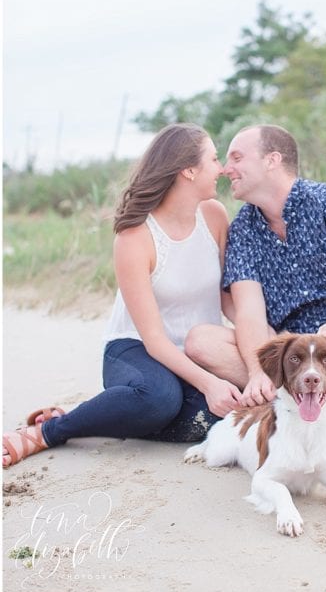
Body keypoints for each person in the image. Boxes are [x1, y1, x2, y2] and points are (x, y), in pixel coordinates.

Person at [3, 124, 242, 468]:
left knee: (225, 411)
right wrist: (210, 383)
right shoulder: (135, 237)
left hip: (197, 349)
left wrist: (263, 338)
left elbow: (227, 299)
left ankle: (105, 414)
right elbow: (155, 340)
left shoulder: (215, 216)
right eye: (215, 159)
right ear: (188, 170)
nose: (221, 169)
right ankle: (50, 431)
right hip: (136, 350)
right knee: (160, 400)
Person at [185, 124, 326, 461]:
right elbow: (249, 312)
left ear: (272, 160)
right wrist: (258, 369)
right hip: (296, 367)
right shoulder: (244, 229)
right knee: (201, 340)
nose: (226, 169)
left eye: (236, 157)